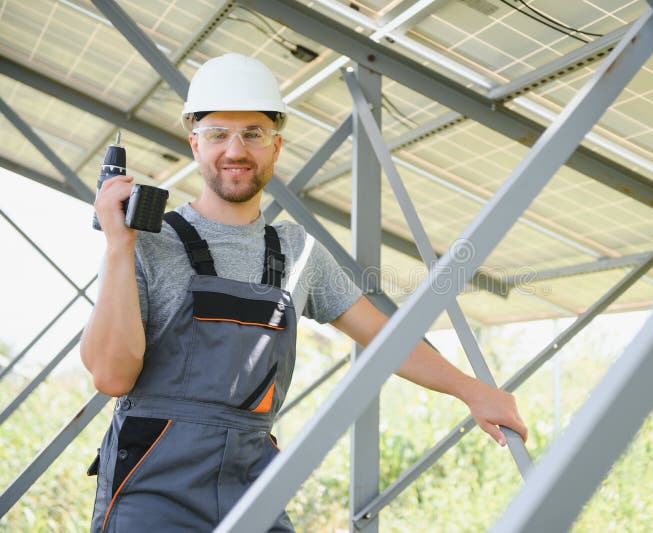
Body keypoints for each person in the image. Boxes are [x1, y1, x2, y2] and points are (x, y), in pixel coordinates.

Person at [80, 53, 528, 532]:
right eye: (218, 134)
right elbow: (111, 377)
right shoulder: (146, 242)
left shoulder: (297, 252)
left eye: (253, 133)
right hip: (153, 489)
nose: (235, 150)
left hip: (251, 481)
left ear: (276, 146)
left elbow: (387, 339)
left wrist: (472, 390)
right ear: (195, 144)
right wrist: (117, 247)